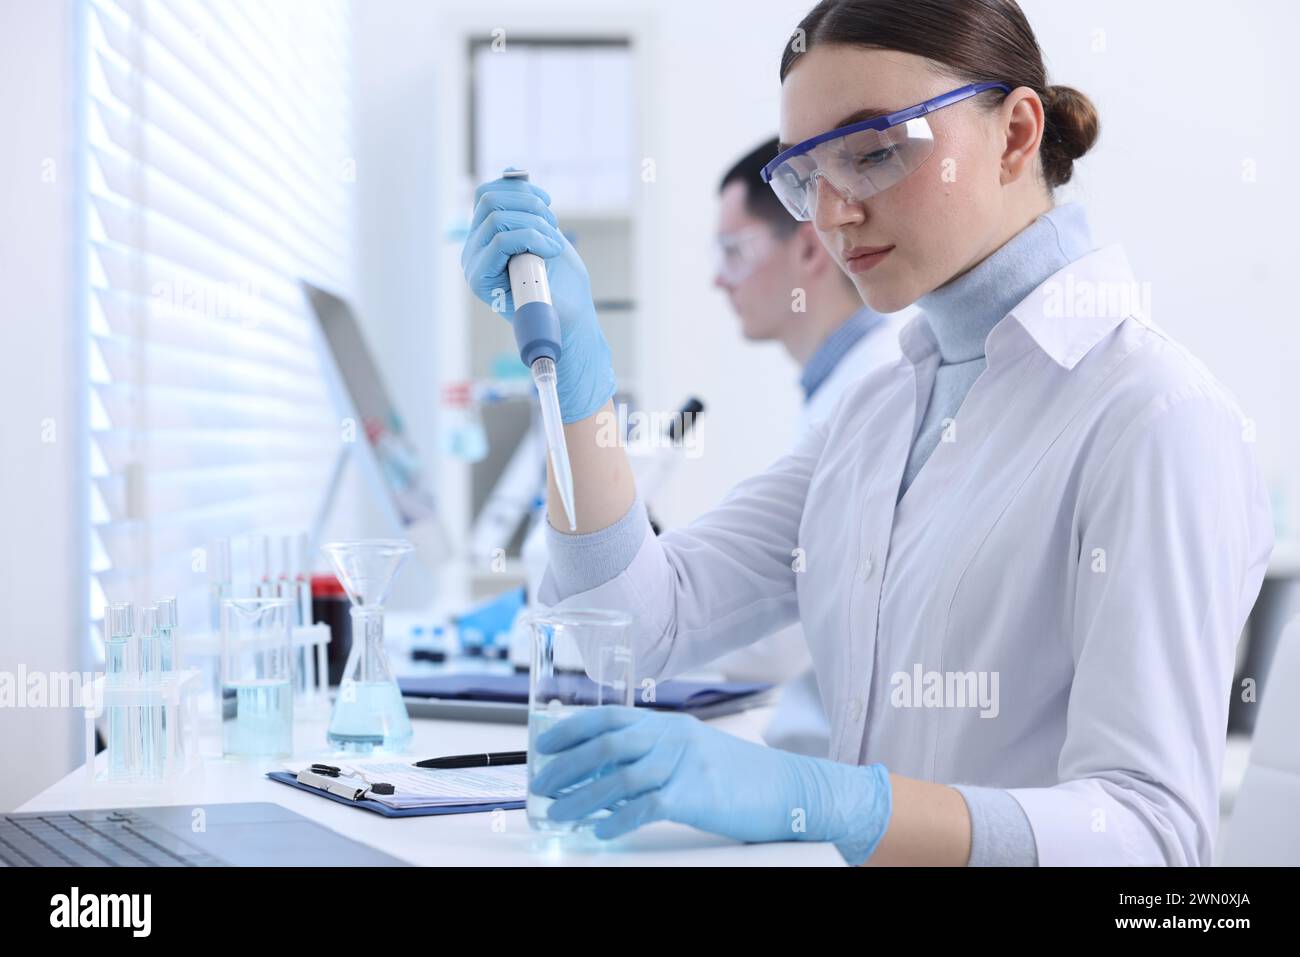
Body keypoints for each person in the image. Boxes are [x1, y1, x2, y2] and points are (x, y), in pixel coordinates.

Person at [460, 0, 1272, 866]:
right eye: (806, 176)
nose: (832, 214)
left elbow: (1150, 840)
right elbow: (633, 625)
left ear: (1015, 135)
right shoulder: (883, 406)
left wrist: (828, 801)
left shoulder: (1153, 417)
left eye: (875, 151)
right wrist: (579, 377)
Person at [710, 137, 902, 757]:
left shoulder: (877, 390)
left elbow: (786, 633)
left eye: (735, 253)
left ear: (809, 246)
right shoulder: (845, 388)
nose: (720, 279)